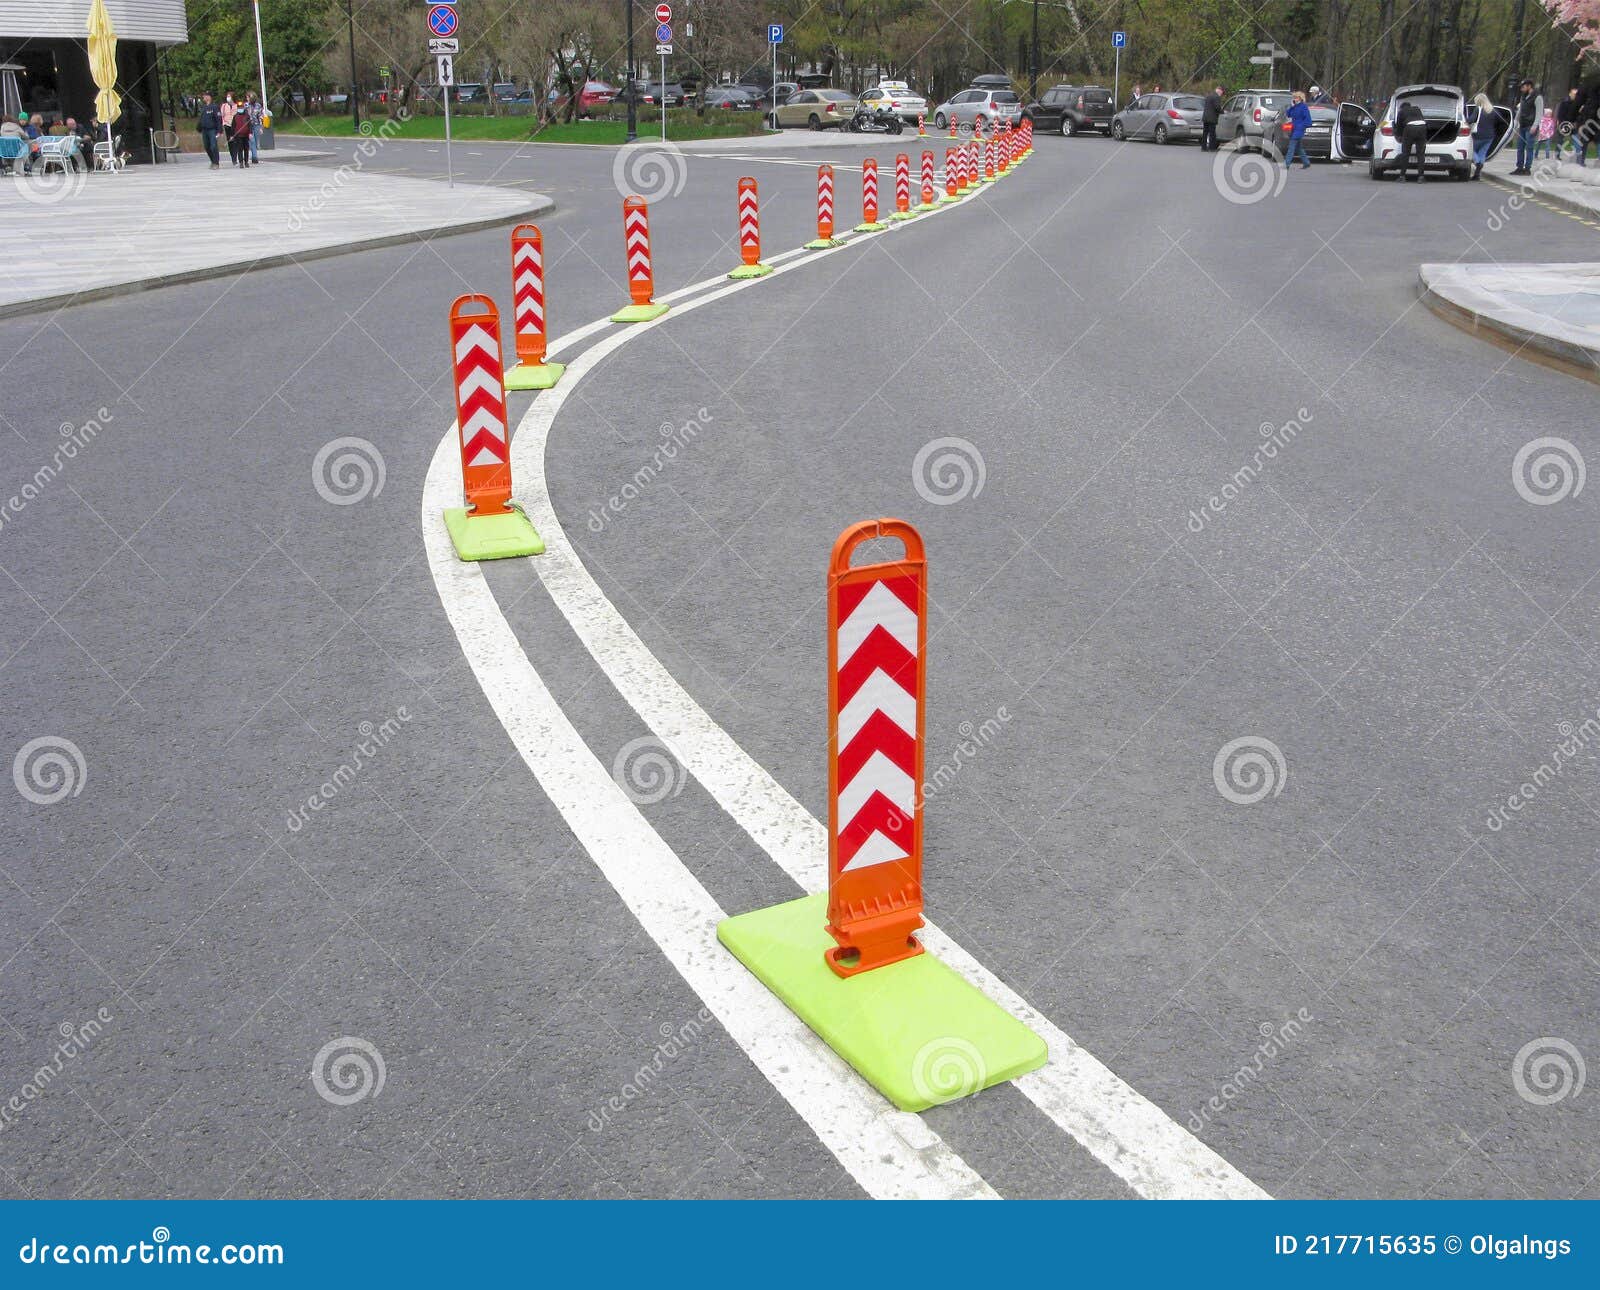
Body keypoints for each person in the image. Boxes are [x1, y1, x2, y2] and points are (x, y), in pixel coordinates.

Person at [1512, 78, 1542, 174]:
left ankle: (1527, 168)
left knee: (1529, 147)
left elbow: (1539, 113)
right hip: (1523, 125)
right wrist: (1515, 121)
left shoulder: (1537, 97)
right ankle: (1519, 167)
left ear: (1529, 86)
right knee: (1520, 147)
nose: (1521, 89)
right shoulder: (1523, 96)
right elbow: (1520, 110)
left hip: (1531, 126)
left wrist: (1535, 125)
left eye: (1523, 87)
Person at [1395, 97, 1427, 180]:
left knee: (1406, 153)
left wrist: (1399, 136)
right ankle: (1421, 176)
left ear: (1401, 107)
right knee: (1420, 154)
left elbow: (1399, 126)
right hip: (1422, 127)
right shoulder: (1417, 109)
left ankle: (1402, 176)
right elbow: (1423, 119)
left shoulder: (1401, 111)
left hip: (1409, 128)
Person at [1282, 90, 1312, 171]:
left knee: (1291, 147)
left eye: (1296, 97)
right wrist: (1292, 106)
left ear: (1300, 98)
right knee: (1299, 148)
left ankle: (1286, 164)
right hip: (1294, 128)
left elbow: (1308, 120)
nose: (1294, 99)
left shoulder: (1303, 107)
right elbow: (1288, 114)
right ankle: (1306, 162)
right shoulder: (1295, 107)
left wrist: (1302, 126)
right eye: (1294, 97)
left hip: (1299, 129)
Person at [1470, 92, 1496, 179]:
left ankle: (1477, 163)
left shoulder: (1478, 109)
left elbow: (1472, 119)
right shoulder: (1493, 110)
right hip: (1490, 136)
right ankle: (1477, 173)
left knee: (1471, 150)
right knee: (1482, 153)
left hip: (1478, 135)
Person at [197, 91, 222, 168]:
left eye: (205, 96)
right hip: (204, 130)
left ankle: (216, 163)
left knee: (213, 146)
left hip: (212, 130)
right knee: (207, 146)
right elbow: (201, 119)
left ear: (209, 97)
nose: (203, 97)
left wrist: (219, 131)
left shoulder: (214, 107)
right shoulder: (204, 107)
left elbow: (218, 119)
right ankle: (212, 161)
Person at [1557, 86, 1581, 162]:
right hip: (1564, 123)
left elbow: (1578, 115)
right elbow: (1560, 114)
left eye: (1576, 94)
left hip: (1573, 124)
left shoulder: (1578, 103)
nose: (1575, 95)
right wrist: (1563, 123)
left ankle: (1578, 158)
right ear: (1570, 94)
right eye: (1573, 94)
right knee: (1560, 140)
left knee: (1576, 139)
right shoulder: (1564, 102)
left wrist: (1575, 122)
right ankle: (1557, 155)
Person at [228, 99, 252, 167]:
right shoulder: (235, 116)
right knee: (240, 149)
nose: (240, 109)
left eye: (241, 107)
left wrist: (250, 133)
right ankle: (241, 162)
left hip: (246, 135)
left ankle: (246, 162)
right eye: (239, 108)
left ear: (243, 108)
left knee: (246, 149)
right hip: (238, 136)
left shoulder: (247, 116)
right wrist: (232, 135)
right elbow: (233, 126)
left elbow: (249, 125)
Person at [1201, 85, 1223, 152]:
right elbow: (1217, 107)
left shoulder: (1209, 96)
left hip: (1205, 117)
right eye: (1221, 93)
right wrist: (1222, 111)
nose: (1221, 94)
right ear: (1219, 91)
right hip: (1212, 118)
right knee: (1212, 133)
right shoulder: (1216, 97)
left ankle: (1203, 147)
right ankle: (1211, 148)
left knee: (1205, 133)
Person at [246, 91, 264, 164]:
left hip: (256, 125)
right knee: (252, 140)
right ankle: (254, 157)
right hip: (248, 126)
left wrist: (261, 127)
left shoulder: (258, 106)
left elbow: (260, 116)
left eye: (248, 97)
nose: (247, 98)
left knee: (256, 142)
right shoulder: (246, 105)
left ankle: (254, 152)